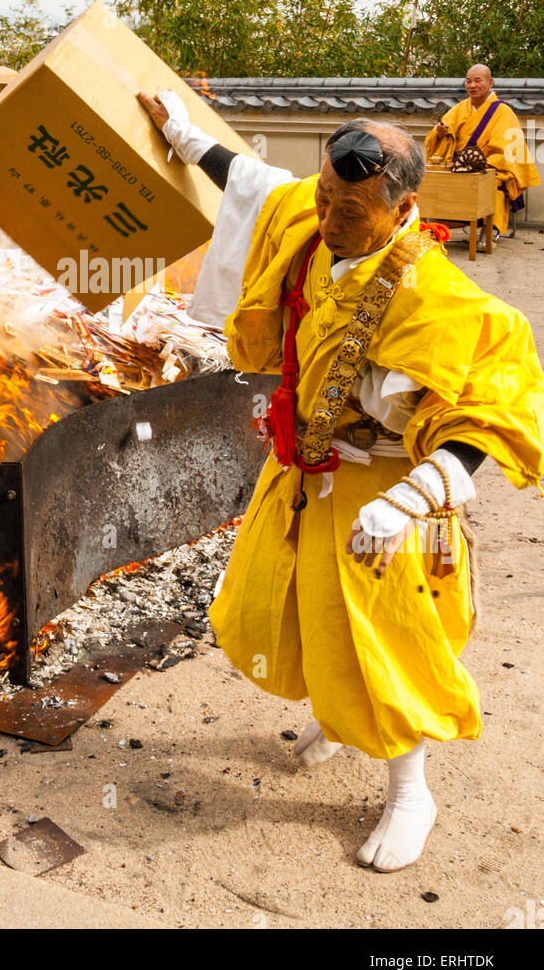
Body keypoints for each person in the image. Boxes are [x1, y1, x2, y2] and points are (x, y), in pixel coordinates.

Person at [137, 88, 544, 872]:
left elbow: (491, 412)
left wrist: (412, 501)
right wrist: (182, 133)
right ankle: (334, 706)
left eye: (351, 211)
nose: (330, 218)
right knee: (284, 604)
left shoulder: (440, 300)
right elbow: (249, 179)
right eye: (325, 196)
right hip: (303, 470)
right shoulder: (309, 220)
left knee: (389, 640)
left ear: (402, 209)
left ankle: (408, 790)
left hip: (389, 488)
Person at [425, 64, 540, 241]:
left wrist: (480, 164)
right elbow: (437, 137)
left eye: (478, 80)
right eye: (468, 81)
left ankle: (487, 230)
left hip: (489, 168)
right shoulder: (459, 109)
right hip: (458, 167)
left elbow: (511, 151)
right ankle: (436, 223)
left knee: (487, 182)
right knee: (437, 180)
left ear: (490, 82)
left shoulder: (504, 113)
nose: (472, 85)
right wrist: (439, 133)